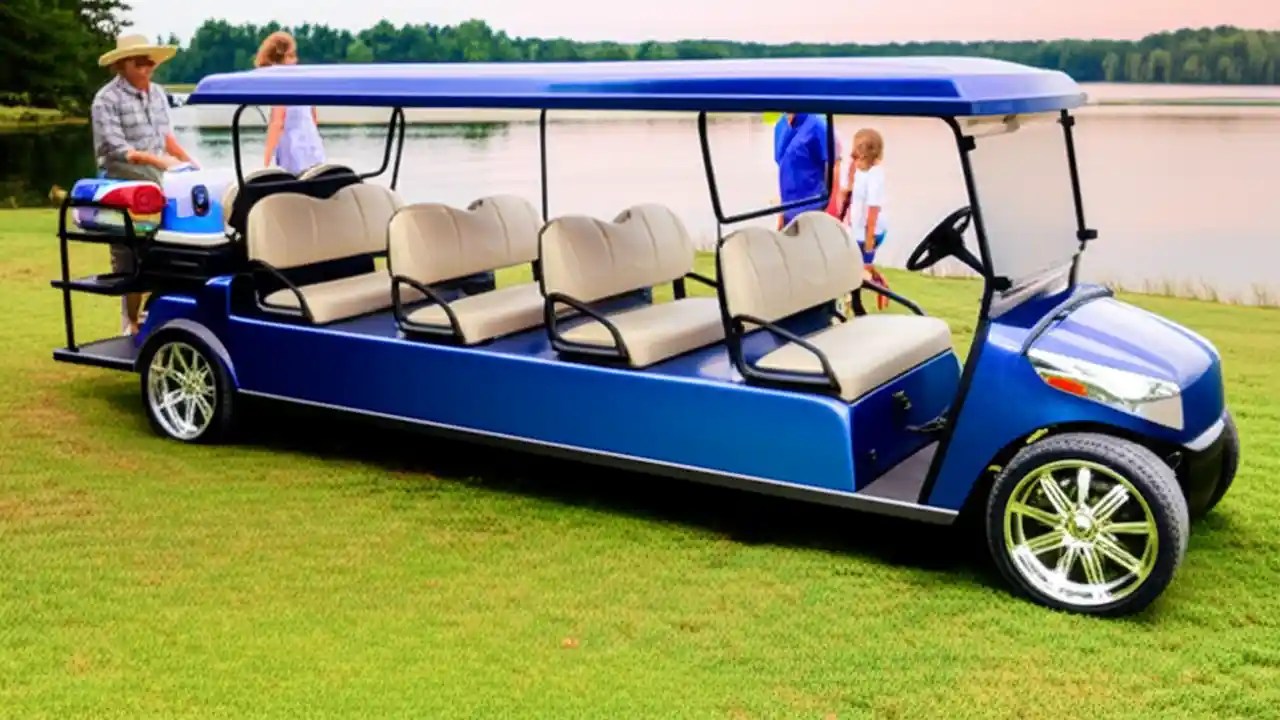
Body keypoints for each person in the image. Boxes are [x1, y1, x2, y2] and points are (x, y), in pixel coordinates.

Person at [91, 34, 199, 336]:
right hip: (120, 185)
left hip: (158, 185)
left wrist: (194, 165)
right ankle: (130, 323)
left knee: (163, 249)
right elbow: (117, 149)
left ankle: (157, 315)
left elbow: (167, 140)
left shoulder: (158, 94)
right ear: (123, 65)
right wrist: (158, 161)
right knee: (128, 256)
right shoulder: (106, 100)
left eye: (152, 61)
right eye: (142, 62)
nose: (149, 67)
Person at [256, 31, 326, 174]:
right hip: (313, 145)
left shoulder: (282, 83)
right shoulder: (304, 81)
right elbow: (313, 118)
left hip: (293, 148)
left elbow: (277, 123)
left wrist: (266, 161)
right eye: (291, 56)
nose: (295, 60)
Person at [840, 128, 891, 310]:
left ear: (869, 156)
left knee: (860, 271)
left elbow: (872, 212)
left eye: (857, 156)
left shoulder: (876, 177)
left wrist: (869, 243)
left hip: (870, 232)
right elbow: (856, 193)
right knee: (854, 269)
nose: (853, 159)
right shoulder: (862, 170)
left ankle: (878, 289)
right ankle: (857, 303)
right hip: (857, 231)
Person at [773, 112, 840, 229]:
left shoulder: (818, 125)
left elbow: (835, 164)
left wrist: (832, 210)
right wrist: (781, 213)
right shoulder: (780, 125)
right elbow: (783, 169)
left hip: (814, 211)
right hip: (788, 212)